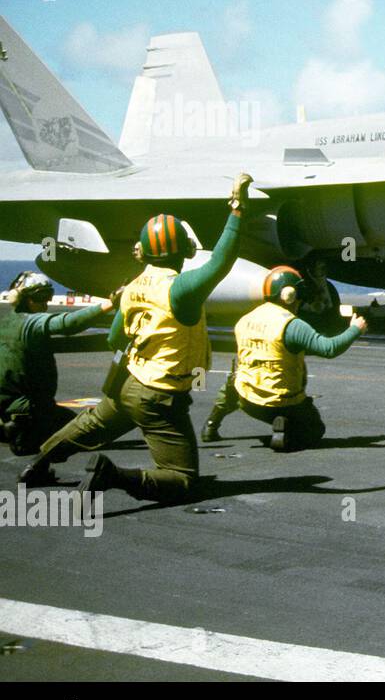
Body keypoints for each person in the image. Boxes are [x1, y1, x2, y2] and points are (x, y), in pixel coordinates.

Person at [19, 174, 253, 501]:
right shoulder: (181, 289)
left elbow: (116, 339)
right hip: (159, 397)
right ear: (184, 250)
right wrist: (238, 208)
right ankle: (111, 475)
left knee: (89, 425)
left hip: (128, 384)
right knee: (183, 480)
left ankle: (38, 463)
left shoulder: (130, 288)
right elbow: (221, 260)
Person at [201, 265, 366, 451]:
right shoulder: (292, 325)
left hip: (246, 402)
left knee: (236, 378)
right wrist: (355, 329)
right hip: (282, 403)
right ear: (291, 295)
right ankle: (285, 433)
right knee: (315, 430)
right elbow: (329, 349)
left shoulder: (244, 320)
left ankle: (211, 425)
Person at [0, 273, 113, 455]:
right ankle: (20, 429)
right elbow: (69, 324)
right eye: (41, 297)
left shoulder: (6, 321)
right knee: (85, 434)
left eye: (48, 296)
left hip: (7, 402)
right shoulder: (33, 323)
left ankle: (12, 425)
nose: (45, 303)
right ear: (27, 299)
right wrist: (110, 303)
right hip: (28, 406)